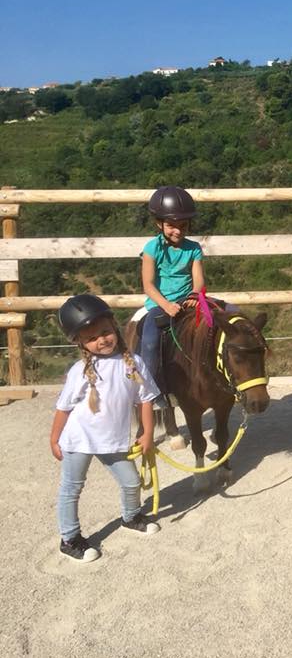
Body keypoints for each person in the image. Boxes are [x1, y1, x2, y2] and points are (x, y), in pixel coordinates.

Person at [52, 294, 161, 562]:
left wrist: (147, 432)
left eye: (104, 332)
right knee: (72, 488)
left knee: (131, 481)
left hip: (113, 440)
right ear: (80, 342)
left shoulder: (133, 362)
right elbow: (63, 407)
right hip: (78, 439)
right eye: (91, 338)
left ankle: (131, 516)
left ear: (114, 325)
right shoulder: (80, 370)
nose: (101, 340)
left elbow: (145, 400)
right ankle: (70, 538)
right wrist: (55, 439)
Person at [140, 186, 204, 402]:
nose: (177, 230)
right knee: (149, 342)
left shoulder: (194, 249)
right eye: (171, 225)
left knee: (225, 320)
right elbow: (148, 285)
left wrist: (195, 296)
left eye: (182, 225)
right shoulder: (152, 248)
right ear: (159, 223)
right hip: (160, 303)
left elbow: (199, 281)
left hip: (188, 301)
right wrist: (166, 305)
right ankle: (151, 390)